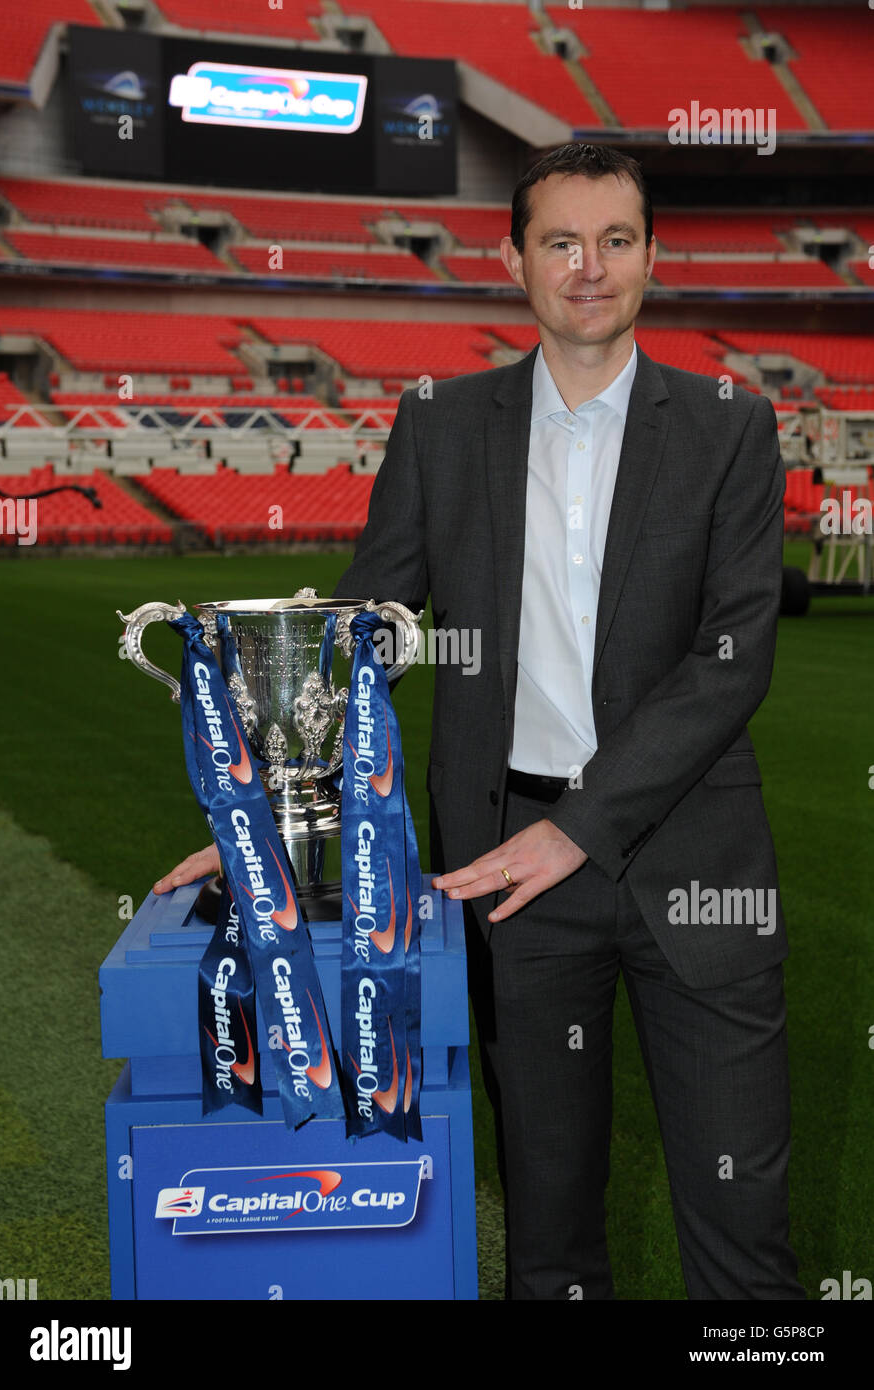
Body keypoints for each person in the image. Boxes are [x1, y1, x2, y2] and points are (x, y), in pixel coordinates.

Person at [155, 143, 804, 1301]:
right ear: (515, 262)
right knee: (549, 1243)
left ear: (653, 255)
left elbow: (729, 662)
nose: (589, 268)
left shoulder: (730, 428)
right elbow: (360, 640)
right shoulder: (443, 425)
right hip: (511, 878)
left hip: (696, 871)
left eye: (615, 240)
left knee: (743, 1242)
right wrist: (271, 816)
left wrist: (584, 827)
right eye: (561, 242)